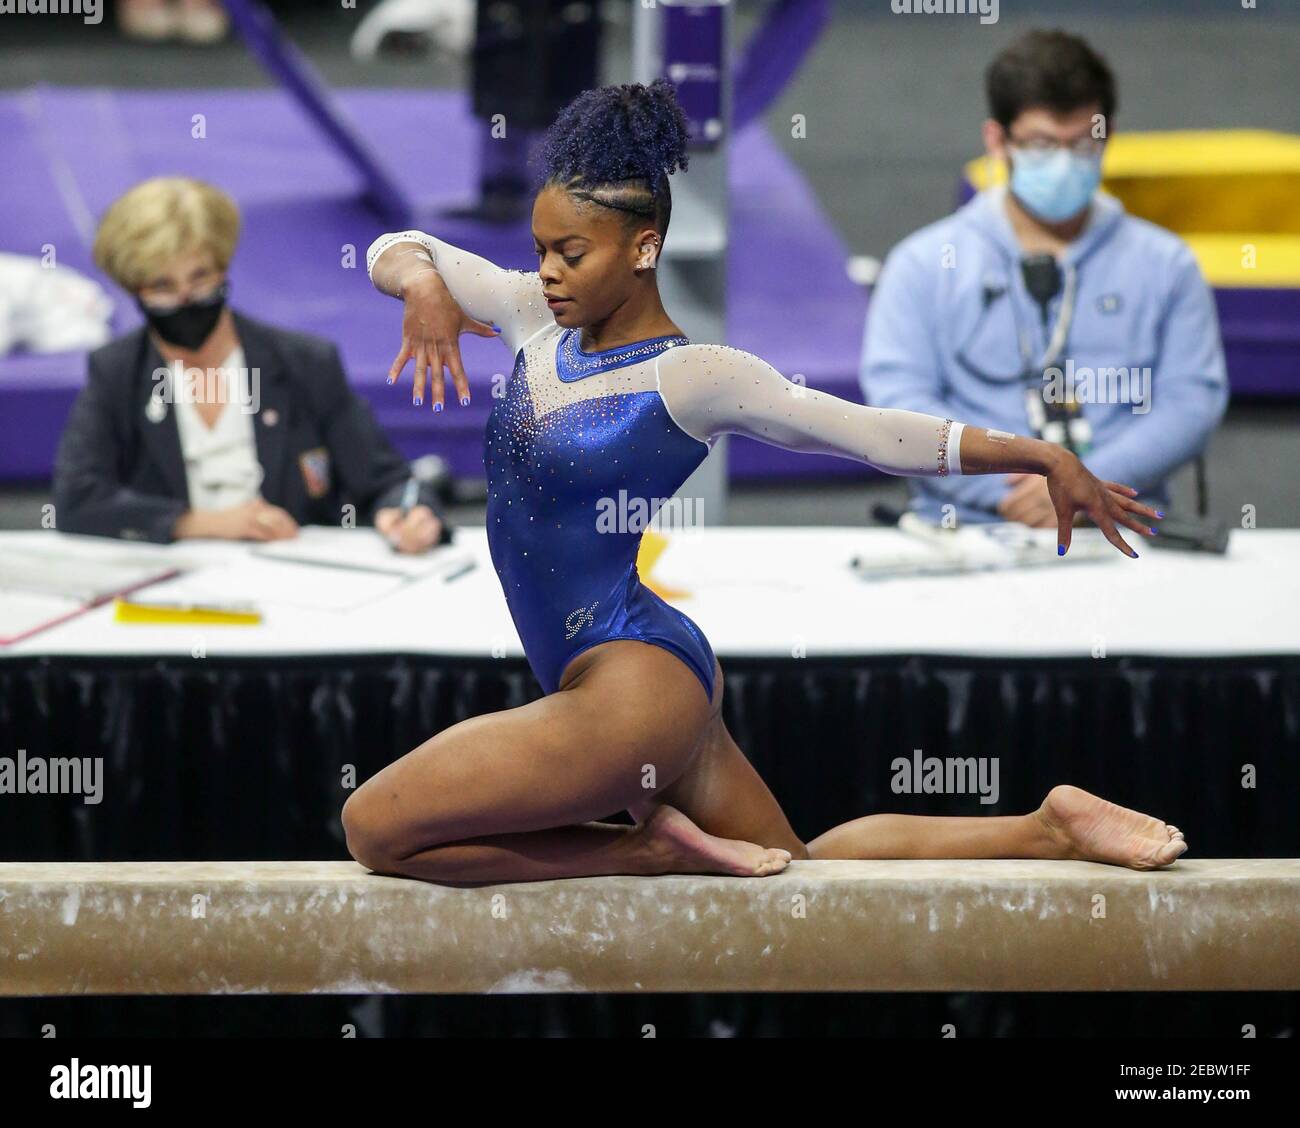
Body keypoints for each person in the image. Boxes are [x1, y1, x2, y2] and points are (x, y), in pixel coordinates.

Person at [342, 79, 1184, 887]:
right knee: (802, 879)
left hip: (629, 686)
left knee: (376, 828)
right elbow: (395, 249)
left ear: (645, 248)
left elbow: (869, 433)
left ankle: (648, 852)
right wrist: (423, 285)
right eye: (540, 252)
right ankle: (1048, 828)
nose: (549, 272)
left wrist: (1039, 454)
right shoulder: (531, 317)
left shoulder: (692, 375)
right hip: (638, 672)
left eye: (571, 253)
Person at [860, 29, 1228, 529]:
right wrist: (1000, 488)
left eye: (1081, 144)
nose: (1063, 161)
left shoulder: (1167, 265)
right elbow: (899, 403)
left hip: (1121, 528)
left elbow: (1191, 403)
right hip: (966, 528)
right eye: (1041, 144)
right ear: (998, 140)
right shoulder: (924, 264)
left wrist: (1086, 485)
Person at [53, 176, 448, 552]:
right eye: (162, 287)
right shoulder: (118, 372)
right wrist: (202, 523)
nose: (186, 298)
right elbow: (77, 500)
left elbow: (389, 482)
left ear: (223, 268)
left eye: (200, 278)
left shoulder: (304, 363)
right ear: (133, 289)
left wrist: (409, 515)